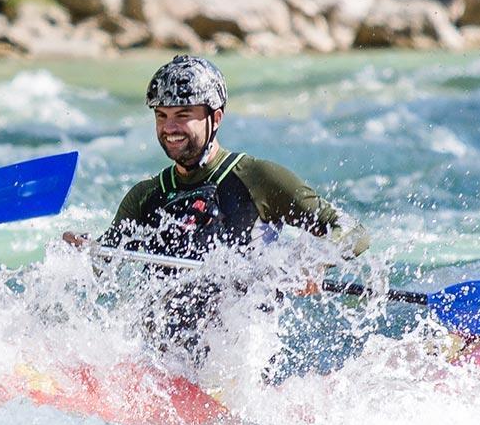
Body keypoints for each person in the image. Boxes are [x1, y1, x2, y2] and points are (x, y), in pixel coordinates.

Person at [62, 54, 368, 361]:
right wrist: (83, 252)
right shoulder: (145, 196)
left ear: (216, 118)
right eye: (161, 116)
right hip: (162, 366)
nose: (170, 128)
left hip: (236, 366)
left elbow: (353, 231)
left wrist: (313, 262)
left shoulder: (256, 178)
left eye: (183, 115)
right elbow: (103, 263)